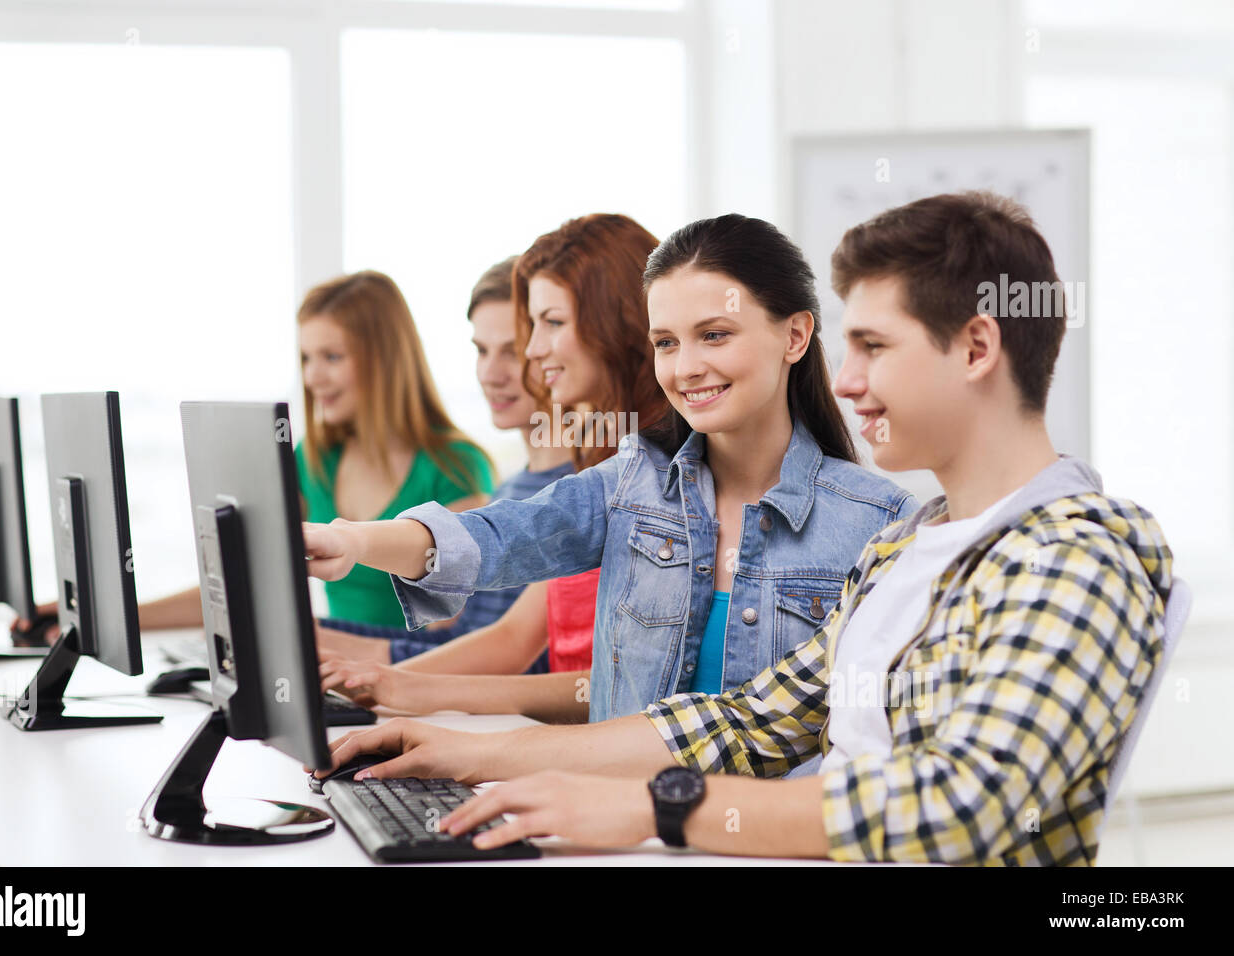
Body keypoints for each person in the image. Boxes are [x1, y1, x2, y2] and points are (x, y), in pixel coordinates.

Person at [307, 193, 1173, 867]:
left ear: (977, 348)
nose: (851, 378)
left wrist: (658, 807)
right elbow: (749, 721)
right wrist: (465, 755)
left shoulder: (1075, 557)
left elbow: (963, 804)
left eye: (874, 346)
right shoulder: (912, 548)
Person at [304, 213, 916, 731]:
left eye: (714, 335)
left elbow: (861, 746)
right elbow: (500, 537)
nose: (686, 367)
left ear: (795, 335)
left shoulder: (881, 525)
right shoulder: (631, 483)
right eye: (667, 343)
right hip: (624, 835)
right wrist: (352, 540)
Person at [318, 213, 676, 719]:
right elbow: (497, 551)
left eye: (548, 325)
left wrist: (398, 687)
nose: (529, 355)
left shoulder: (658, 471)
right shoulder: (607, 471)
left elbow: (541, 660)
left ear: (614, 323)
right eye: (485, 350)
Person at [22, 270, 497, 645]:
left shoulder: (455, 468)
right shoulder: (314, 460)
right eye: (307, 358)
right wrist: (109, 618)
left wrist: (316, 643)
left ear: (384, 359)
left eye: (332, 357)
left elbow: (446, 645)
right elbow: (240, 583)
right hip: (340, 676)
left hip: (405, 695)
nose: (314, 377)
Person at [314, 255, 575, 667]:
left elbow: (516, 662)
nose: (490, 374)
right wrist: (322, 639)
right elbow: (457, 643)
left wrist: (340, 652)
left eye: (512, 352)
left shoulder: (579, 495)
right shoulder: (508, 493)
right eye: (481, 350)